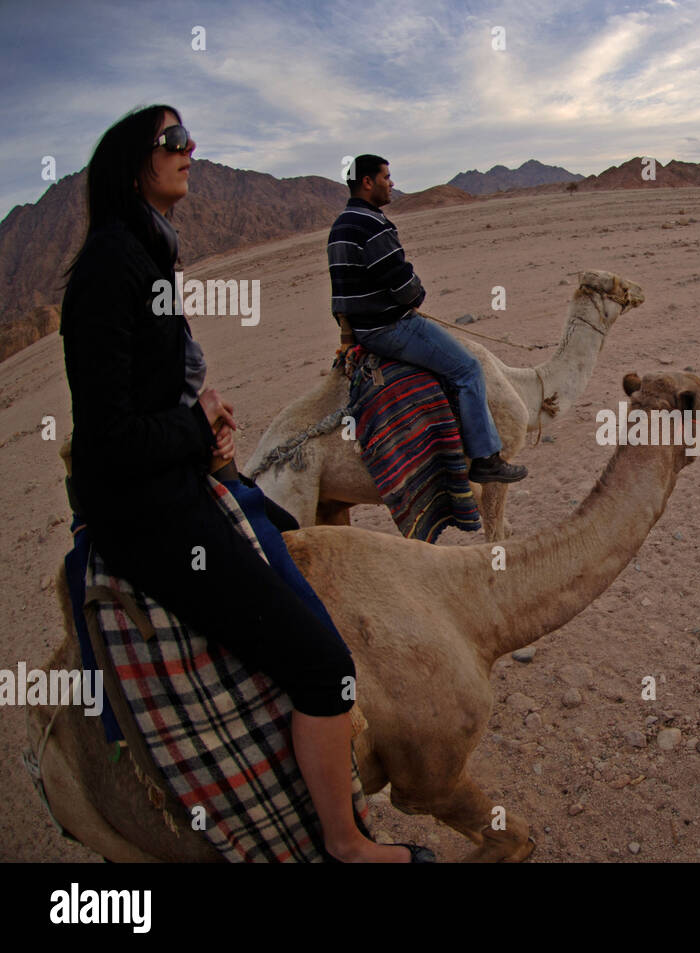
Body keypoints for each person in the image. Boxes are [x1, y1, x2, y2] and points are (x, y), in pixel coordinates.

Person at [60, 105, 428, 862]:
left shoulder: (145, 251)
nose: (189, 149)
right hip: (149, 509)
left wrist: (202, 405)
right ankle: (344, 847)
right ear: (135, 166)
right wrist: (196, 432)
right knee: (323, 665)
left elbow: (146, 387)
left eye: (188, 136)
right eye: (172, 142)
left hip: (176, 480)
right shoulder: (110, 267)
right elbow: (110, 434)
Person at [328, 154, 526, 483]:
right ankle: (485, 458)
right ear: (367, 182)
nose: (391, 184)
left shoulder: (339, 227)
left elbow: (339, 294)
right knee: (467, 368)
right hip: (392, 327)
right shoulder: (373, 226)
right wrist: (417, 294)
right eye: (386, 177)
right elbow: (404, 287)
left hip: (362, 330)